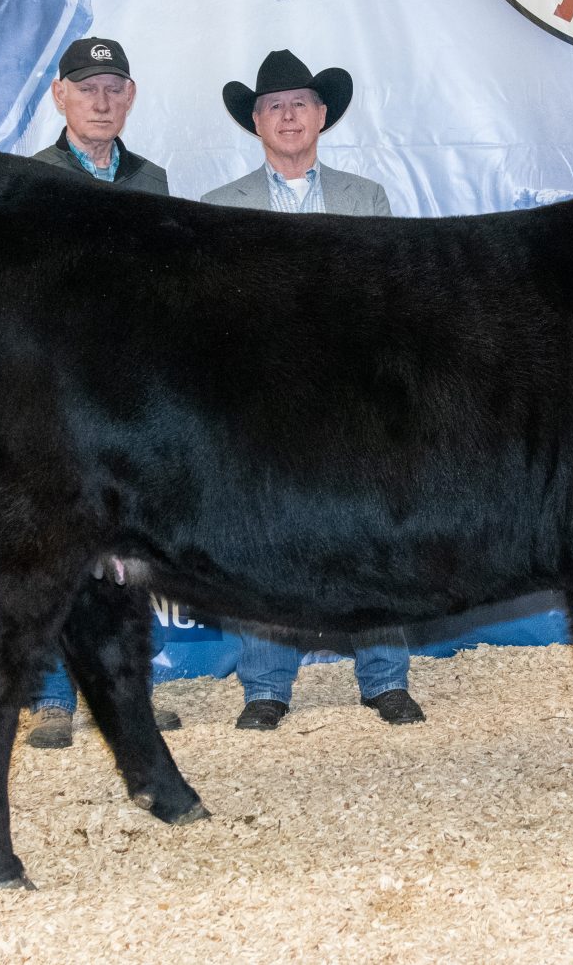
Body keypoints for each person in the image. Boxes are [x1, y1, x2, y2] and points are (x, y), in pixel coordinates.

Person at [200, 49, 427, 731]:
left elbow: (391, 305)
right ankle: (266, 687)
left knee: (372, 533)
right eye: (274, 105)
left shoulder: (368, 199)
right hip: (262, 409)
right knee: (262, 540)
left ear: (322, 115)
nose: (289, 113)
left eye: (301, 102)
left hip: (354, 399)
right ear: (257, 121)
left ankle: (385, 678)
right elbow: (213, 321)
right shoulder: (218, 210)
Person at [23, 35, 182, 747]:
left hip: (129, 394)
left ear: (131, 96)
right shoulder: (27, 182)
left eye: (114, 86)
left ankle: (129, 689)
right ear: (59, 96)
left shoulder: (153, 181)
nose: (101, 99)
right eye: (87, 87)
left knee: (130, 540)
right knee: (59, 541)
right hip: (56, 394)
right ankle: (56, 694)